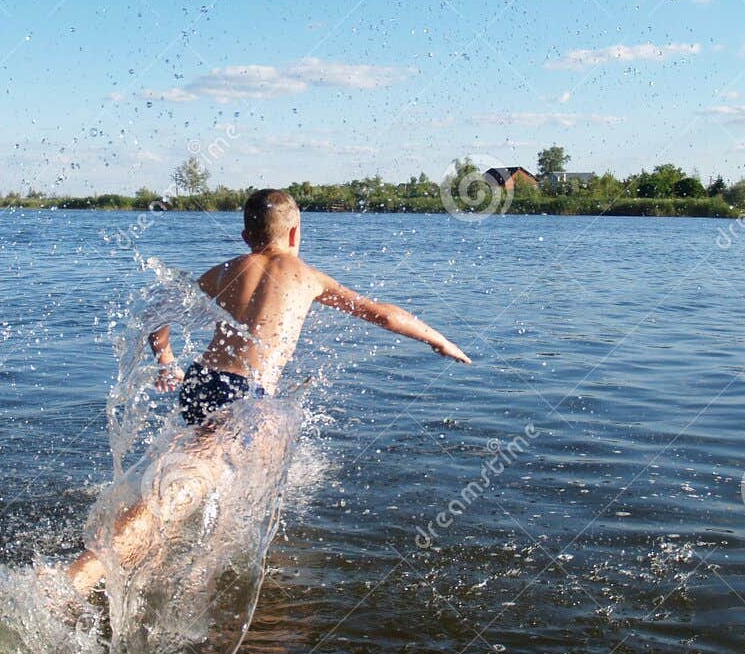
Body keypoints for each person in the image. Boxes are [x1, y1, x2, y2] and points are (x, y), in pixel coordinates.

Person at [58, 188, 471, 596]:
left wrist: (167, 362)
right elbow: (383, 313)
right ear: (295, 233)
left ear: (245, 237)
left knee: (211, 472)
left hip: (202, 381)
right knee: (182, 489)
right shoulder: (306, 276)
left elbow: (156, 315)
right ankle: (79, 576)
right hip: (243, 393)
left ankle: (174, 559)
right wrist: (439, 340)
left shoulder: (224, 270)